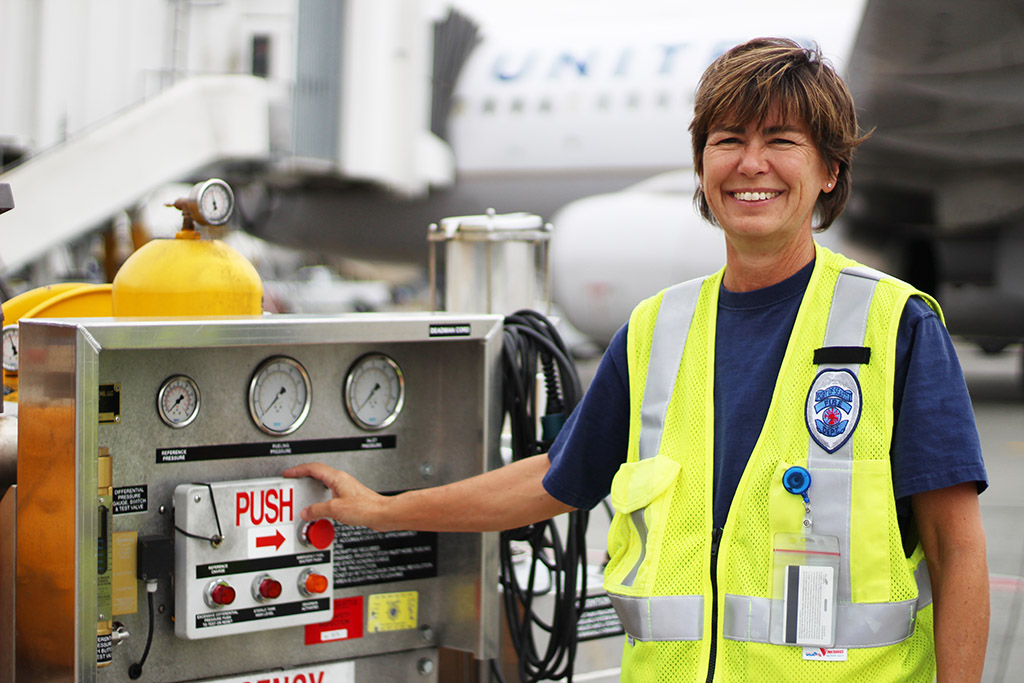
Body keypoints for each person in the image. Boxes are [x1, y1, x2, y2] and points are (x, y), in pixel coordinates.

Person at [286, 38, 988, 681]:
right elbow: (555, 479)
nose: (751, 163)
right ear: (702, 166)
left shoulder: (894, 324)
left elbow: (956, 549)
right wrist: (385, 509)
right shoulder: (658, 328)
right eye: (727, 140)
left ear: (830, 170)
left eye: (781, 140)